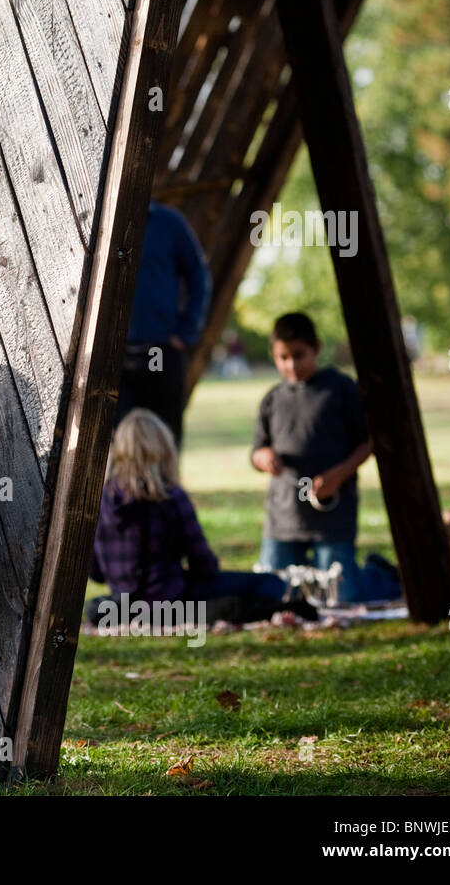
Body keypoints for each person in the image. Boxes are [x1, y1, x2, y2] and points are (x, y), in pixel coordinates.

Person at [86, 408, 297, 626]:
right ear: (164, 449)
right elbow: (202, 564)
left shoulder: (102, 500)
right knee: (270, 582)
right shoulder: (170, 496)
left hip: (124, 605)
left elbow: (96, 572)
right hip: (172, 600)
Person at [251, 312, 402, 603]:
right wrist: (264, 457)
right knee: (272, 595)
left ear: (316, 348)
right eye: (283, 357)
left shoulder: (340, 388)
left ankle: (379, 574)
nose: (291, 364)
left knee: (342, 596)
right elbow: (257, 449)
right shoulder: (272, 398)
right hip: (283, 515)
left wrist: (339, 475)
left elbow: (368, 442)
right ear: (274, 354)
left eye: (299, 355)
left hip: (332, 515)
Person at [116, 201, 211, 448]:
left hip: (159, 350)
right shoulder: (103, 220)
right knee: (121, 444)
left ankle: (164, 488)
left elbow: (198, 275)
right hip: (113, 358)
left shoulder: (168, 222)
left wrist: (186, 331)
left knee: (164, 440)